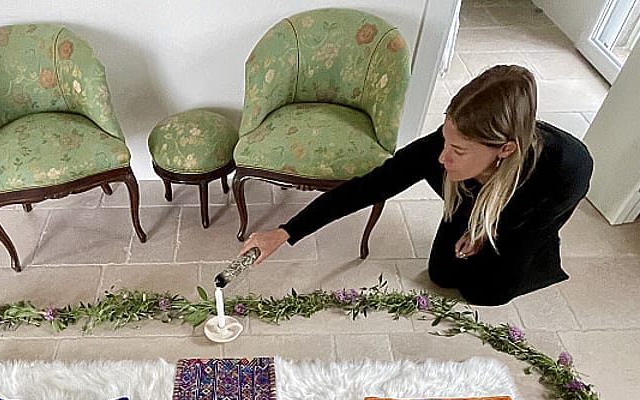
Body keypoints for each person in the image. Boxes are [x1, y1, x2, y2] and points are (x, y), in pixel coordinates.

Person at [239, 65, 594, 306]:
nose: (442, 158)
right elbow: (367, 188)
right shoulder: (440, 152)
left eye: (457, 150)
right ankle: (477, 221)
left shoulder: (566, 169)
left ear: (505, 149)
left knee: (486, 293)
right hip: (474, 200)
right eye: (445, 140)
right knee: (441, 273)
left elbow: (531, 220)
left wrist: (486, 232)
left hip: (528, 215)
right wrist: (285, 232)